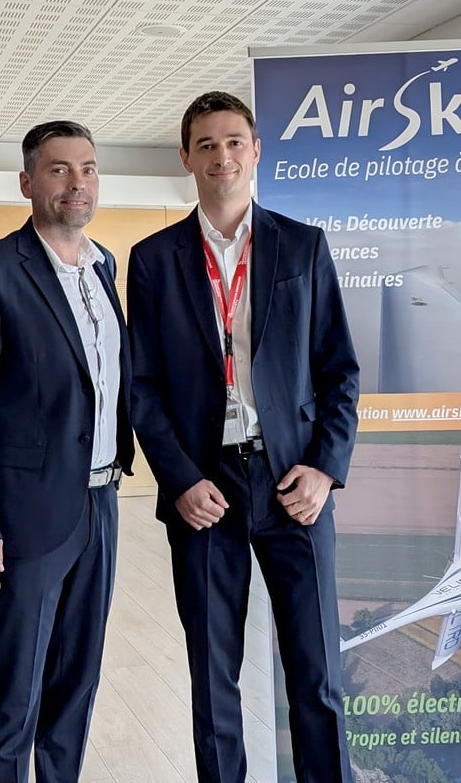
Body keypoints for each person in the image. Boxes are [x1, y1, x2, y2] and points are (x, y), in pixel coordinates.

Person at [127, 91, 360, 783]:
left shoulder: (303, 245)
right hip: (205, 488)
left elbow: (340, 371)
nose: (221, 155)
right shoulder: (153, 259)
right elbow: (142, 386)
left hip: (294, 484)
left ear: (256, 151)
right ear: (187, 158)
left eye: (234, 141)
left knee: (317, 675)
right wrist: (178, 478)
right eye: (206, 144)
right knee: (213, 678)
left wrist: (325, 468)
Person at [0, 120, 135, 783]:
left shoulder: (104, 269)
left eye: (88, 168)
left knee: (76, 686)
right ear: (28, 182)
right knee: (12, 694)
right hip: (23, 517)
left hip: (100, 504)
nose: (77, 182)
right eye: (58, 169)